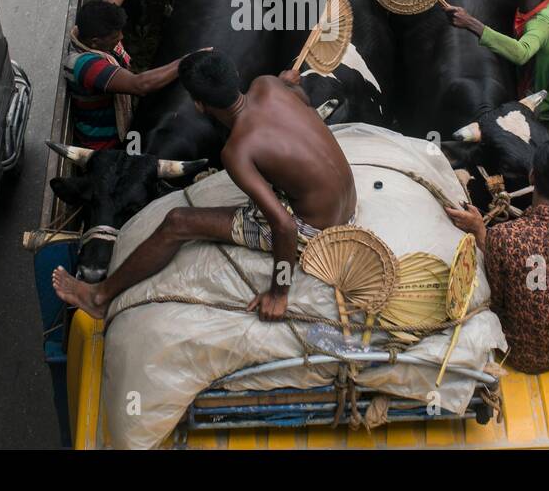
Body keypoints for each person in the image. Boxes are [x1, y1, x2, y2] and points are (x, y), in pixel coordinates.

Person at [52, 50, 358, 322]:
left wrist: (279, 293)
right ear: (235, 76)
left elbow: (285, 226)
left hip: (314, 229)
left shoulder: (237, 151)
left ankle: (99, 298)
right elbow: (302, 100)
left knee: (178, 222)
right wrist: (289, 84)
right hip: (349, 200)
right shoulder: (270, 84)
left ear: (198, 104)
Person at [445, 140, 549, 376]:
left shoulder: (503, 238)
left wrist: (480, 231)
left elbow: (497, 299)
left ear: (532, 176)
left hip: (516, 352)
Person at [66, 0, 207, 150]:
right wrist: (188, 60)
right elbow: (140, 85)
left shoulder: (96, 25)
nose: (121, 37)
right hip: (106, 144)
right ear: (95, 43)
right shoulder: (85, 65)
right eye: (115, 36)